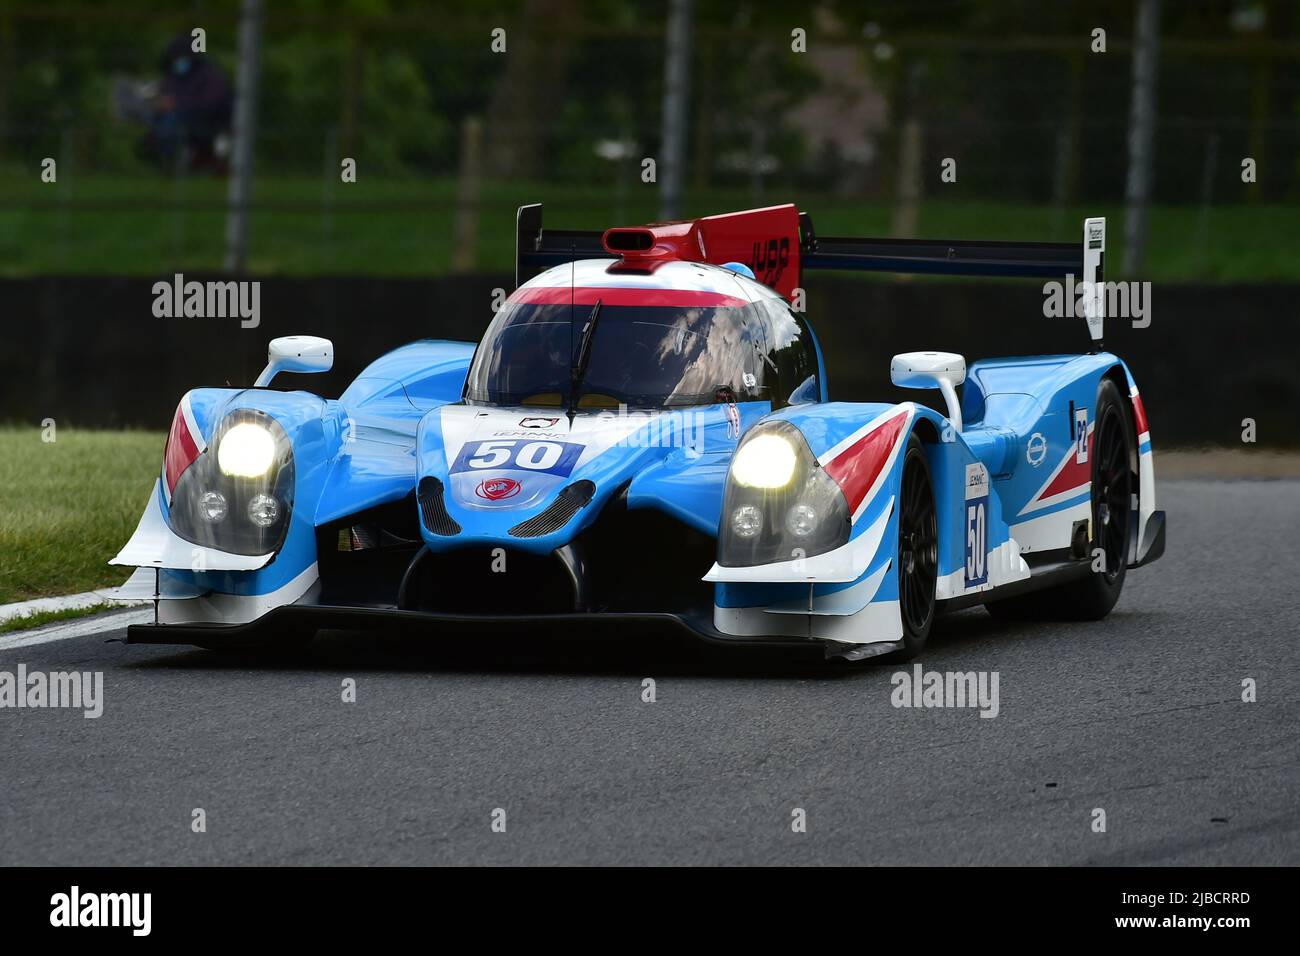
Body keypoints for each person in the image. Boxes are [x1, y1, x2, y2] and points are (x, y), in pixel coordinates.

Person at [142, 34, 233, 173]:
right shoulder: (174, 77)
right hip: (175, 119)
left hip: (206, 124)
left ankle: (171, 160)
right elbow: (164, 93)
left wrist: (176, 105)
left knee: (170, 123)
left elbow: (211, 105)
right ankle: (157, 152)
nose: (177, 62)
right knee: (151, 116)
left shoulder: (210, 77)